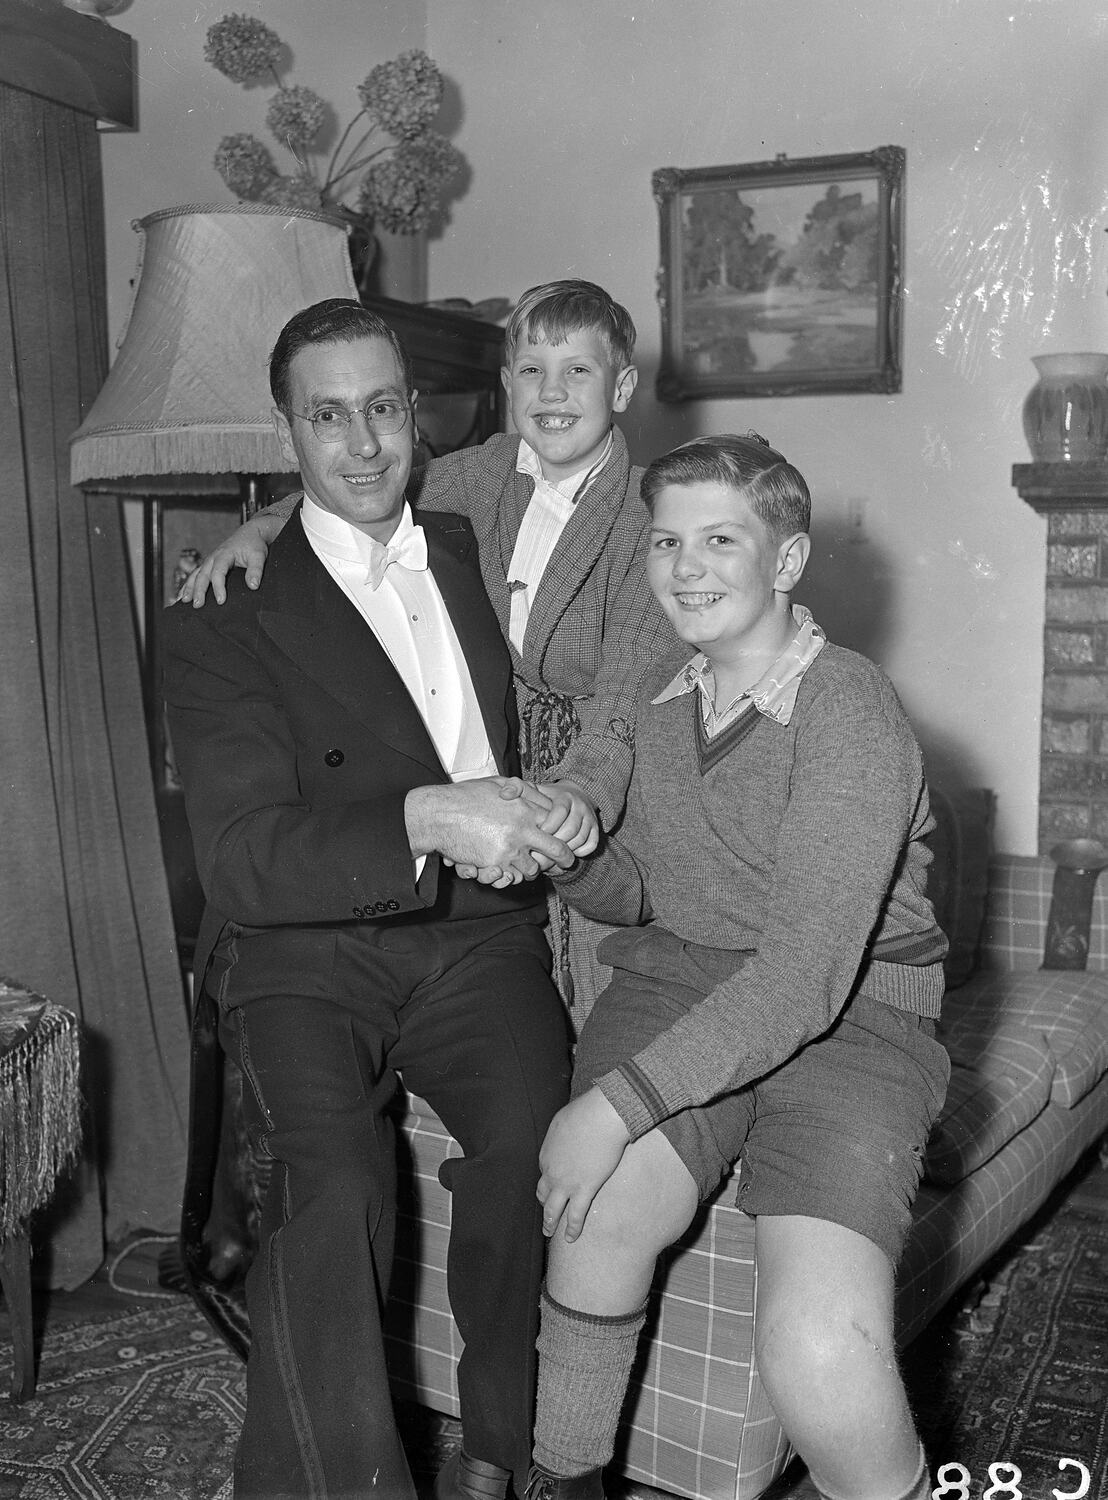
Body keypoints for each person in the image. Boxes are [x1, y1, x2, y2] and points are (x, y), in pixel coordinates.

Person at [163, 298, 598, 1500]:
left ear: (421, 415)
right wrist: (423, 816)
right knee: (333, 1190)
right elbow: (242, 857)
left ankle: (504, 1452)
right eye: (327, 416)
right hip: (302, 948)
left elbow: (608, 473)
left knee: (536, 1147)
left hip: (475, 942)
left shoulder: (469, 536)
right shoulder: (220, 608)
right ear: (287, 430)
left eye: (383, 408)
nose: (360, 444)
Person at [525, 434, 951, 1500]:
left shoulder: (847, 707)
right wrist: (572, 858)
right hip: (682, 982)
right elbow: (650, 897)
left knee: (815, 1350)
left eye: (720, 539)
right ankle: (561, 1479)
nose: (686, 566)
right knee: (598, 1213)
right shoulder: (662, 700)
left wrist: (610, 1106)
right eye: (666, 540)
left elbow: (805, 978)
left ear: (788, 561)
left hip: (855, 1017)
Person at [179, 279, 680, 1010]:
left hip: (602, 791)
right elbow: (366, 486)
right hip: (496, 801)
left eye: (580, 371)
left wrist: (579, 797)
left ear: (624, 386)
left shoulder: (650, 518)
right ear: (507, 385)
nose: (554, 393)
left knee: (599, 1008)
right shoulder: (482, 476)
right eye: (533, 372)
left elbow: (625, 701)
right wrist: (261, 526)